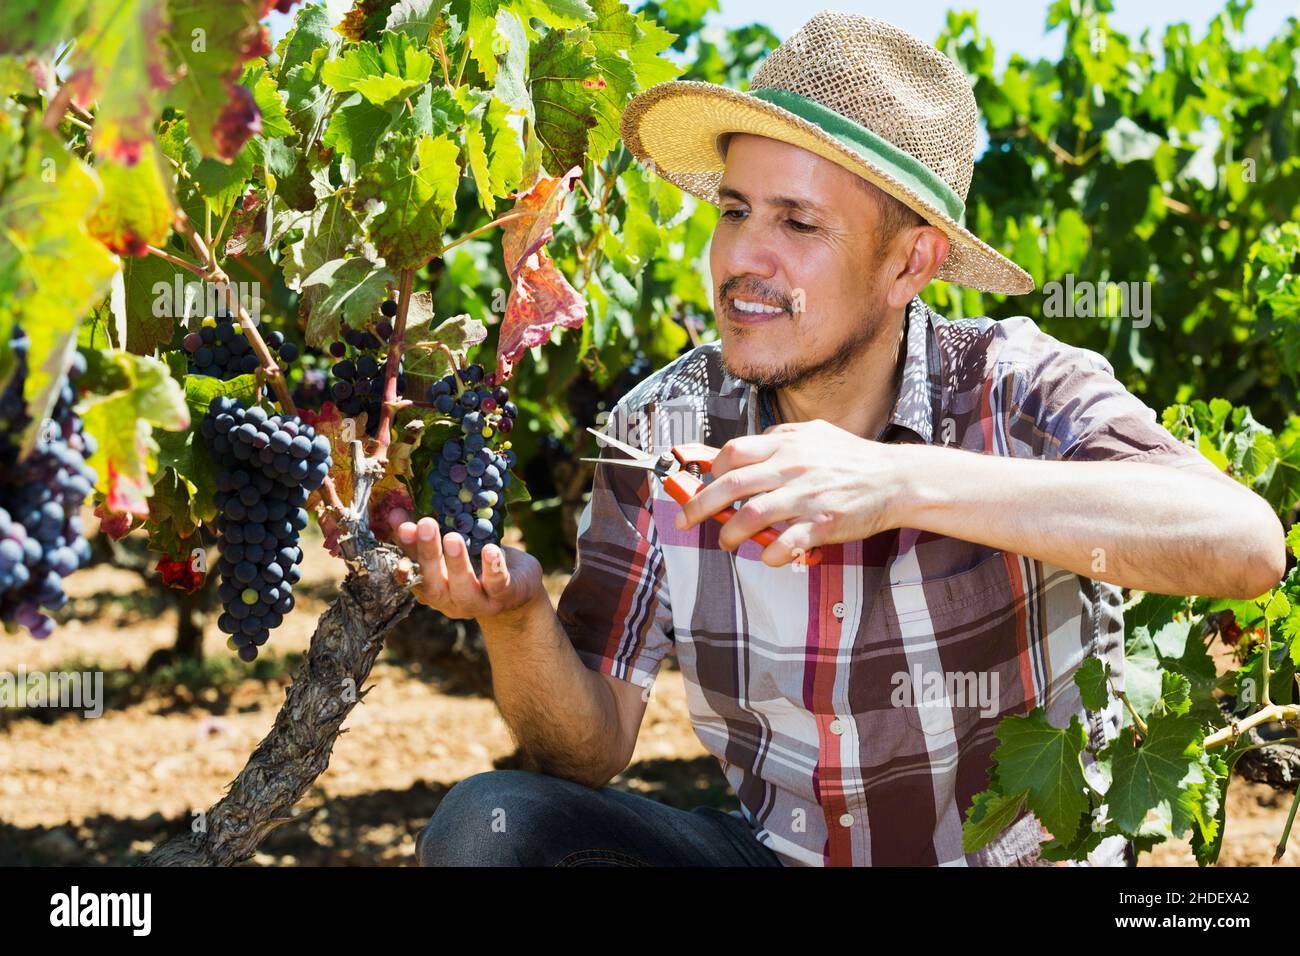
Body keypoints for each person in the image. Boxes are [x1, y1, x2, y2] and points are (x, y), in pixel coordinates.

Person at [396, 11, 1286, 866]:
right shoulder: (662, 423)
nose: (744, 255)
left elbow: (1243, 546)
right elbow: (586, 755)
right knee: (490, 829)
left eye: (799, 222)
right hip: (785, 860)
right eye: (736, 210)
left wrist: (897, 482)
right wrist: (517, 622)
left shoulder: (1014, 388)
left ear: (911, 263)